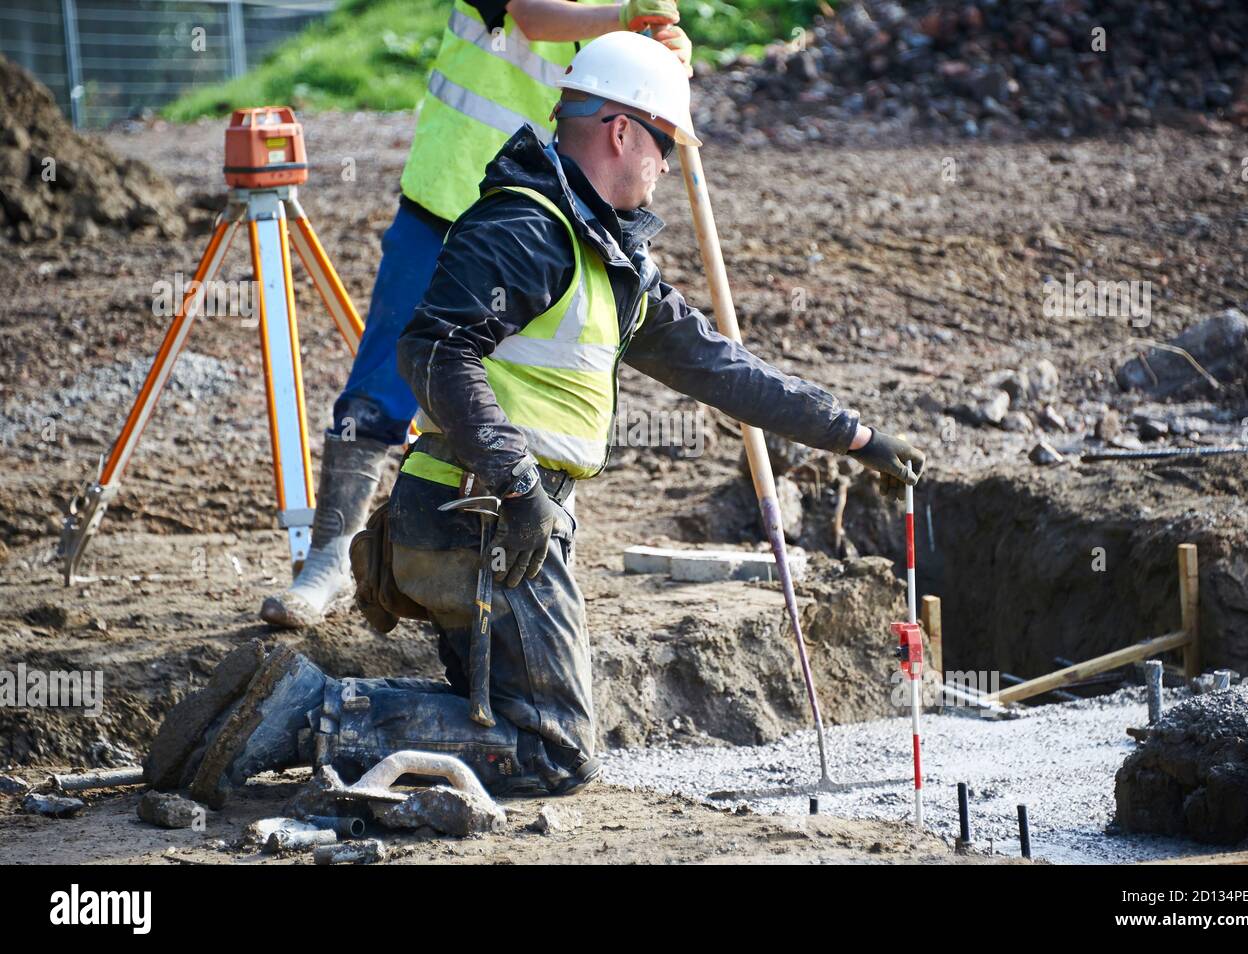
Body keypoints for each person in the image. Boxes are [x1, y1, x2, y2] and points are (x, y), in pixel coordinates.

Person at [151, 31, 924, 806]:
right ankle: (311, 710)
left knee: (506, 722)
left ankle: (268, 708)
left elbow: (721, 368)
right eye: (664, 144)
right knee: (553, 751)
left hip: (490, 519)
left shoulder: (608, 259)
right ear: (622, 131)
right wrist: (518, 486)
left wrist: (855, 434)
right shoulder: (528, 226)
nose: (667, 166)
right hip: (485, 515)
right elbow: (433, 350)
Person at [260, 0, 693, 629]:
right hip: (445, 195)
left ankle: (480, 566)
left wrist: (663, 63)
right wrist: (625, 18)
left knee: (514, 389)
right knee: (385, 379)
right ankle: (328, 557)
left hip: (540, 221)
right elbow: (533, 17)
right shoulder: (612, 6)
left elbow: (632, 101)